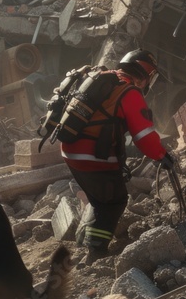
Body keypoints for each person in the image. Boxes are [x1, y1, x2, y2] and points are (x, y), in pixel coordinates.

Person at [61, 49, 177, 265]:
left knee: (98, 198)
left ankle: (83, 237)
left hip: (70, 150)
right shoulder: (128, 91)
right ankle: (96, 251)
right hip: (92, 156)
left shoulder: (101, 77)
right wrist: (162, 155)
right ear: (145, 74)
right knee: (114, 201)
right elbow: (143, 135)